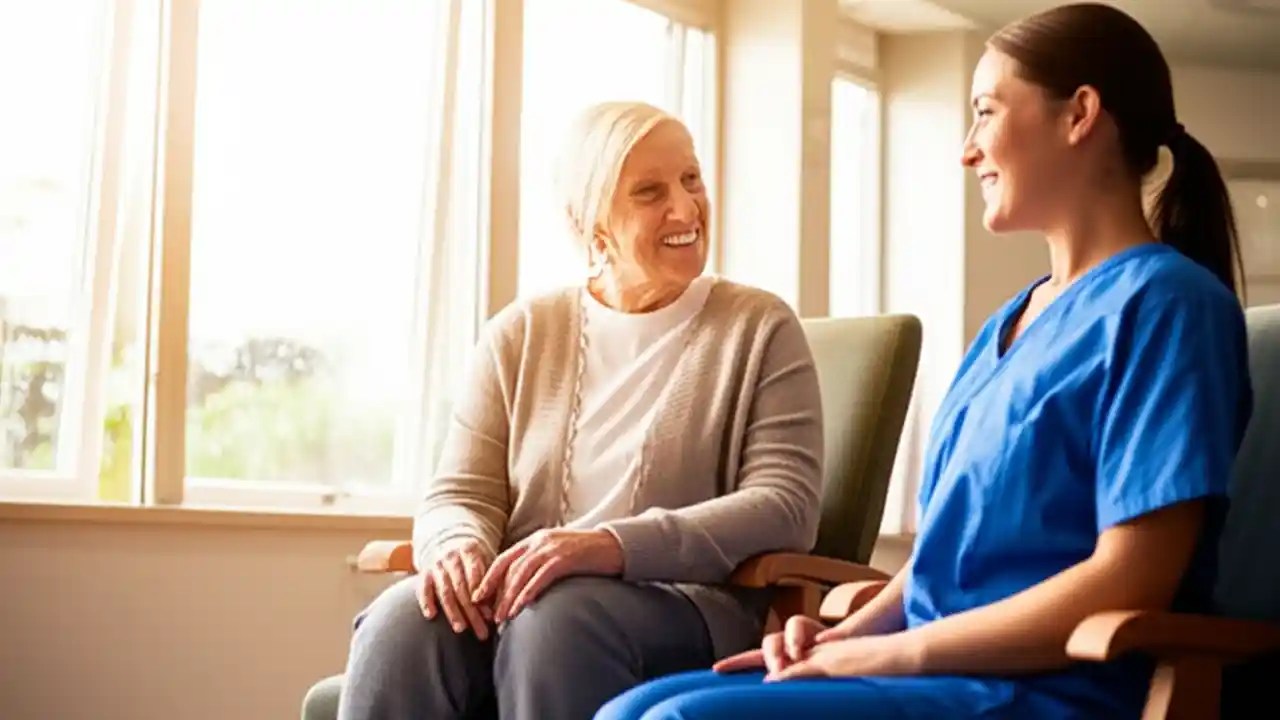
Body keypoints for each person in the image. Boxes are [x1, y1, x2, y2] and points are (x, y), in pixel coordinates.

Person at [596, 3, 1254, 719]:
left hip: (1043, 690)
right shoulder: (1012, 320)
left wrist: (890, 654)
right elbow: (938, 558)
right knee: (629, 710)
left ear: (1079, 115)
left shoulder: (1167, 305)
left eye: (985, 112)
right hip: (928, 675)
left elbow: (1131, 580)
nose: (968, 150)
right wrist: (840, 640)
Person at [311, 101, 826, 720]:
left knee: (555, 620)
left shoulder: (760, 327)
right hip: (527, 597)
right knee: (406, 618)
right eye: (650, 192)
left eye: (691, 179)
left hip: (682, 602)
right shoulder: (520, 333)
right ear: (593, 226)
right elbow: (460, 492)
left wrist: (608, 545)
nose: (686, 208)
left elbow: (784, 506)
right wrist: (455, 547)